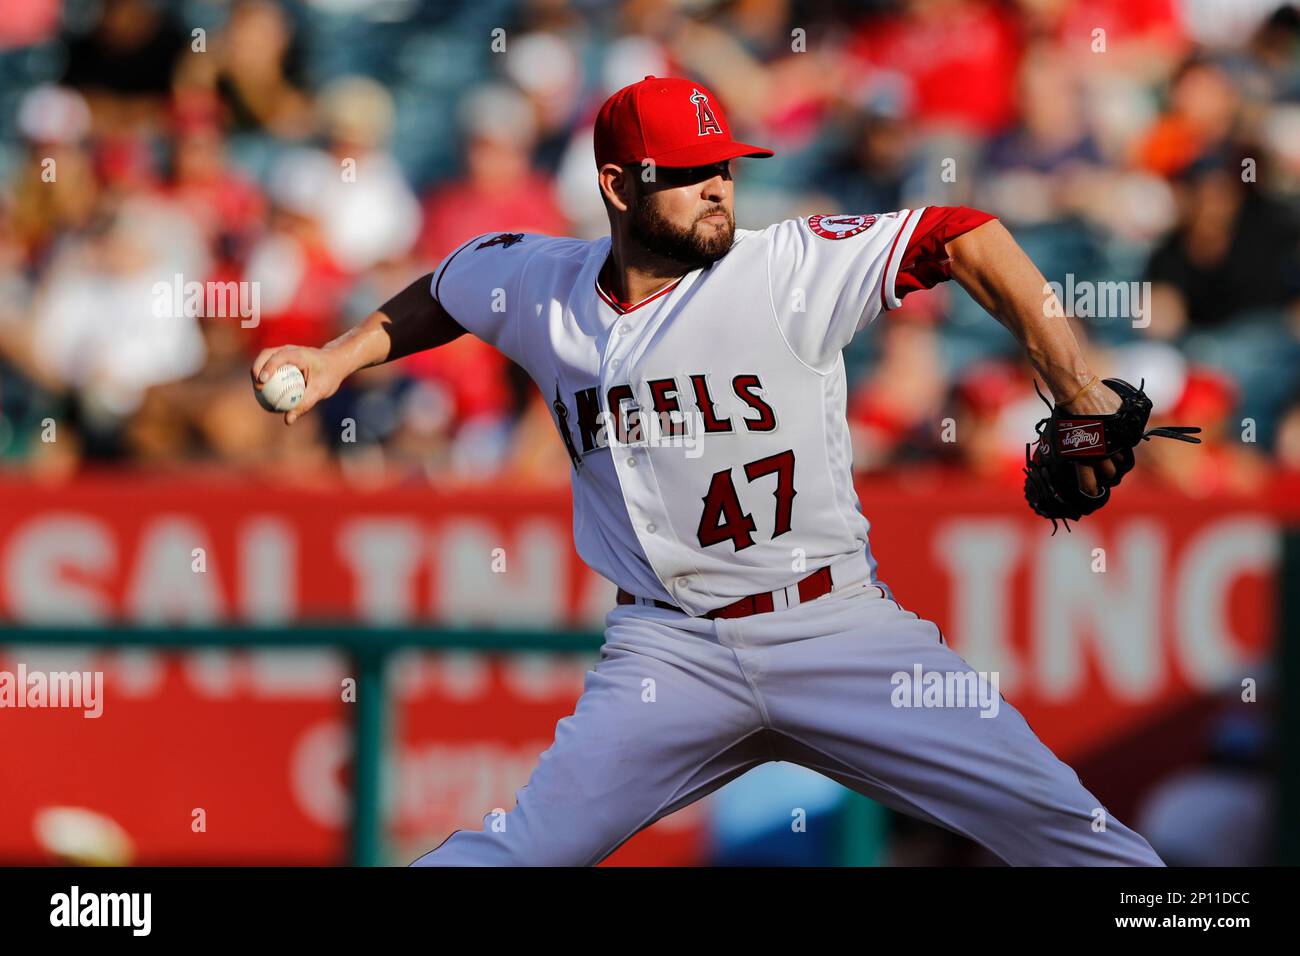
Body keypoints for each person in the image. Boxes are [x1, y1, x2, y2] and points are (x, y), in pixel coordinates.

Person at [252, 76, 1163, 866]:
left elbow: (965, 234)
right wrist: (337, 358)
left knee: (1069, 835)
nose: (719, 187)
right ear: (616, 186)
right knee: (523, 852)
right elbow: (448, 288)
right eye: (687, 175)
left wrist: (1075, 381)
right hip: (668, 653)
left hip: (834, 628)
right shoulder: (541, 283)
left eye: (724, 165)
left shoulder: (785, 267)